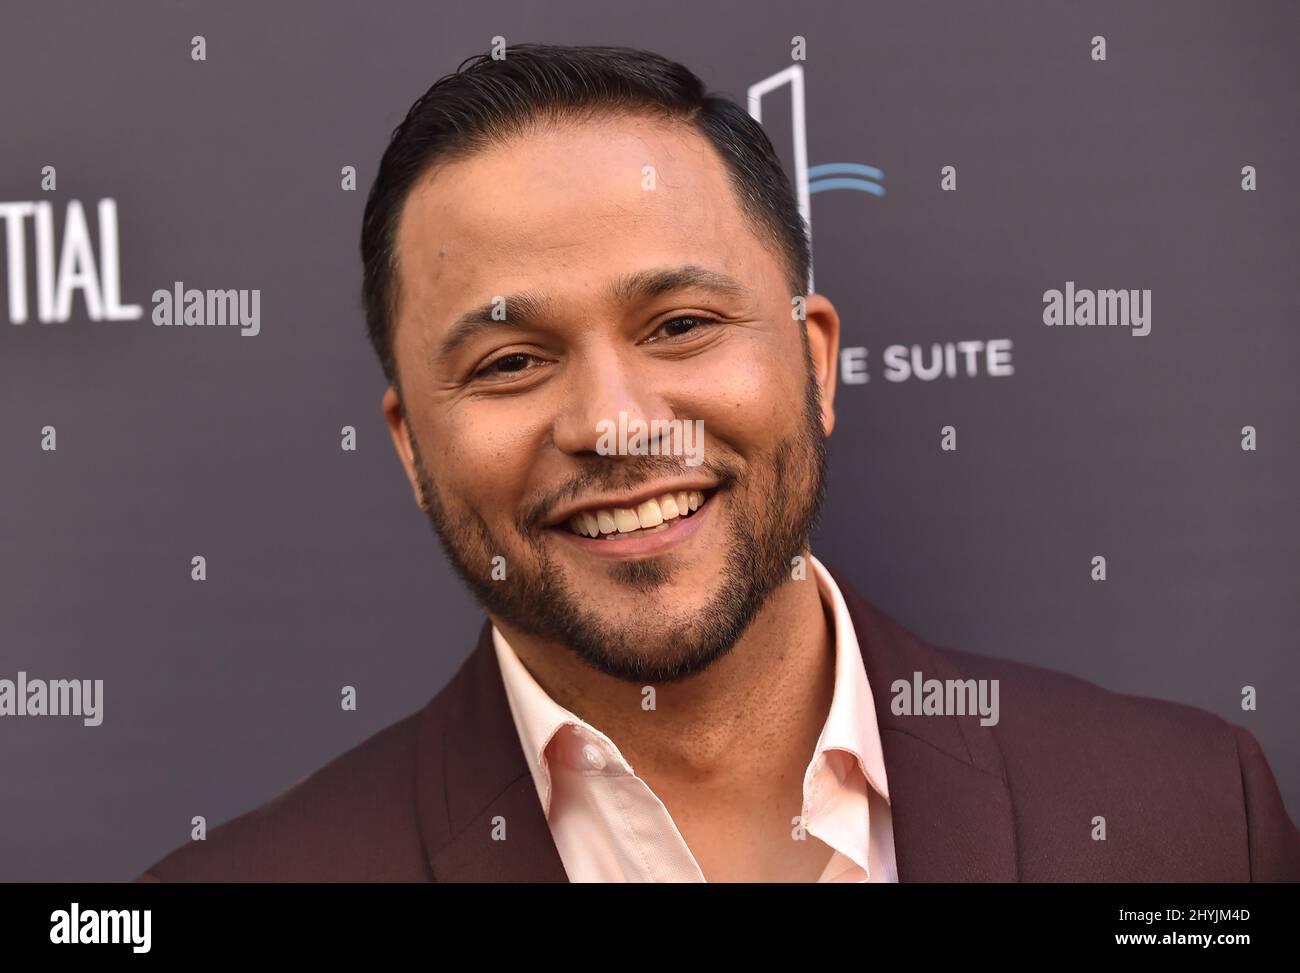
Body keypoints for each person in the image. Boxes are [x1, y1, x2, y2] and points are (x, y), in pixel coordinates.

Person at [137, 44, 1299, 883]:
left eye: (680, 325)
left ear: (815, 359)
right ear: (408, 443)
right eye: (508, 361)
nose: (617, 422)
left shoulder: (1191, 818)